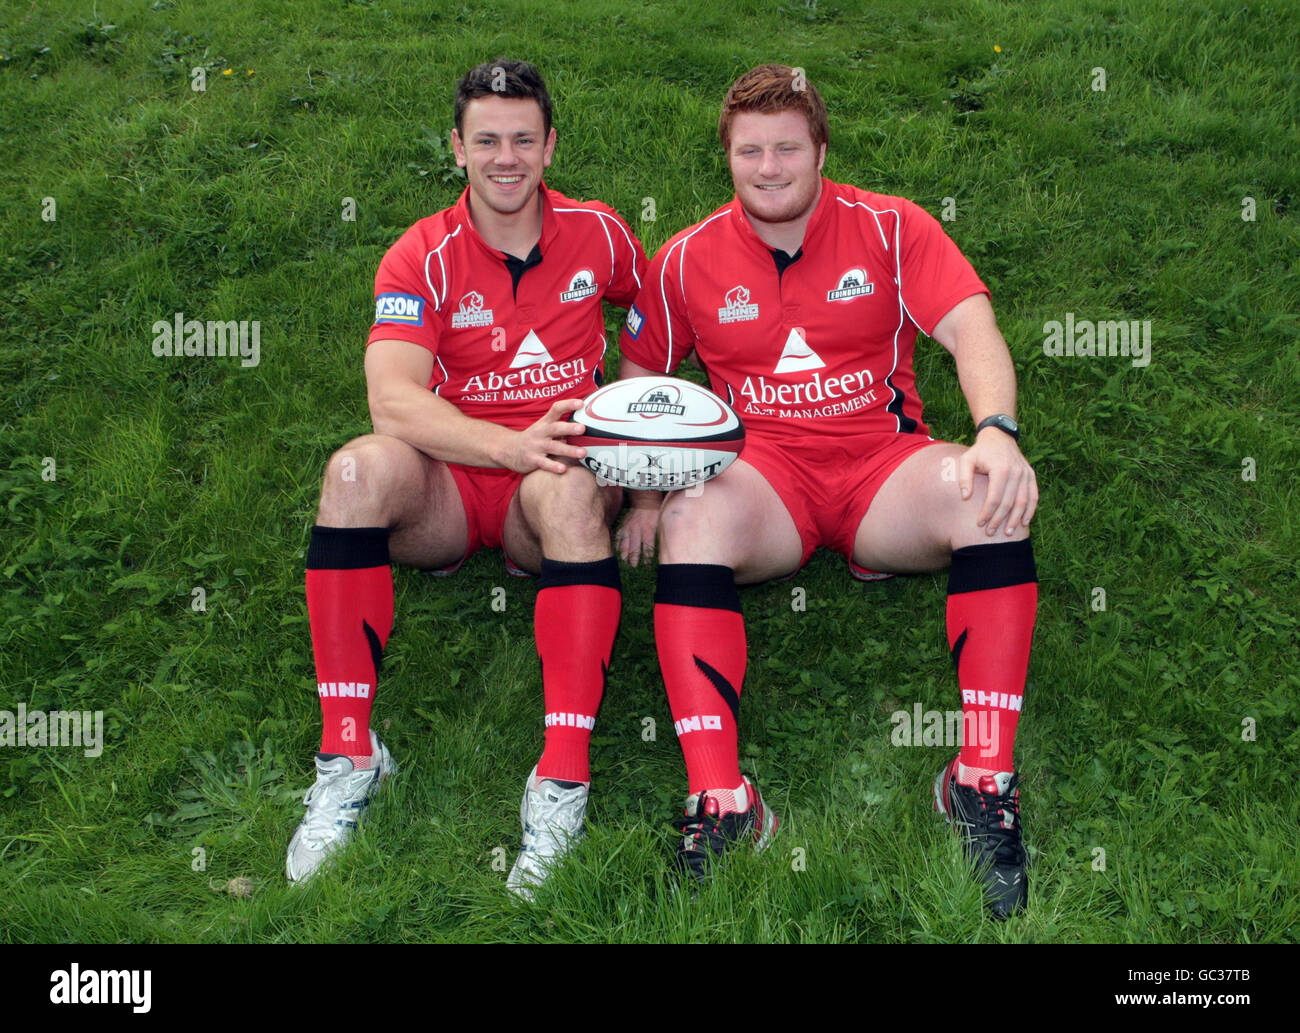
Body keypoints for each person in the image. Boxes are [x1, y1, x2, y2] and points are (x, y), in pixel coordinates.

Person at [616, 64, 1039, 918]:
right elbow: (640, 375)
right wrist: (649, 495)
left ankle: (981, 780)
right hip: (763, 481)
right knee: (696, 514)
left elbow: (972, 329)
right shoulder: (686, 258)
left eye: (786, 149)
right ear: (726, 157)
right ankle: (723, 803)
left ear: (820, 150)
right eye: (749, 152)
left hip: (884, 468)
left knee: (983, 494)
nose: (768, 168)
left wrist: (996, 429)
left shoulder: (891, 227)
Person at [287, 59, 646, 900]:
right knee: (350, 472)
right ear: (456, 148)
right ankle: (350, 756)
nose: (506, 157)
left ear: (551, 145)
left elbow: (653, 313)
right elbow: (392, 402)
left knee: (567, 487)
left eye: (524, 138)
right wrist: (506, 443)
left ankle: (561, 779)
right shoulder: (420, 252)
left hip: (548, 478)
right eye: (486, 139)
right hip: (451, 482)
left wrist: (635, 436)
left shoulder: (601, 233)